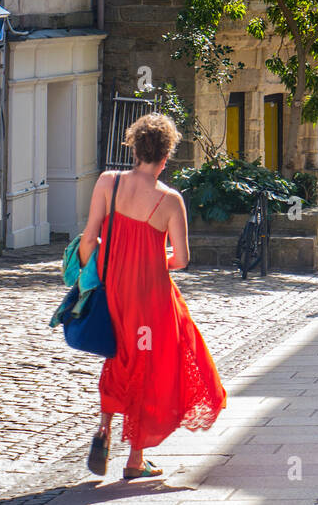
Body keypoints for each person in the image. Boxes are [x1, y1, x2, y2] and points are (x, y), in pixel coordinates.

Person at [78, 113, 227, 481]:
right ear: (165, 157)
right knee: (148, 365)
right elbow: (182, 258)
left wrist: (92, 280)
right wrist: (151, 258)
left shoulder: (107, 183)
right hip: (152, 297)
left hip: (114, 291)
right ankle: (135, 459)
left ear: (133, 147)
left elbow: (87, 240)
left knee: (118, 355)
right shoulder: (170, 200)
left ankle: (104, 428)